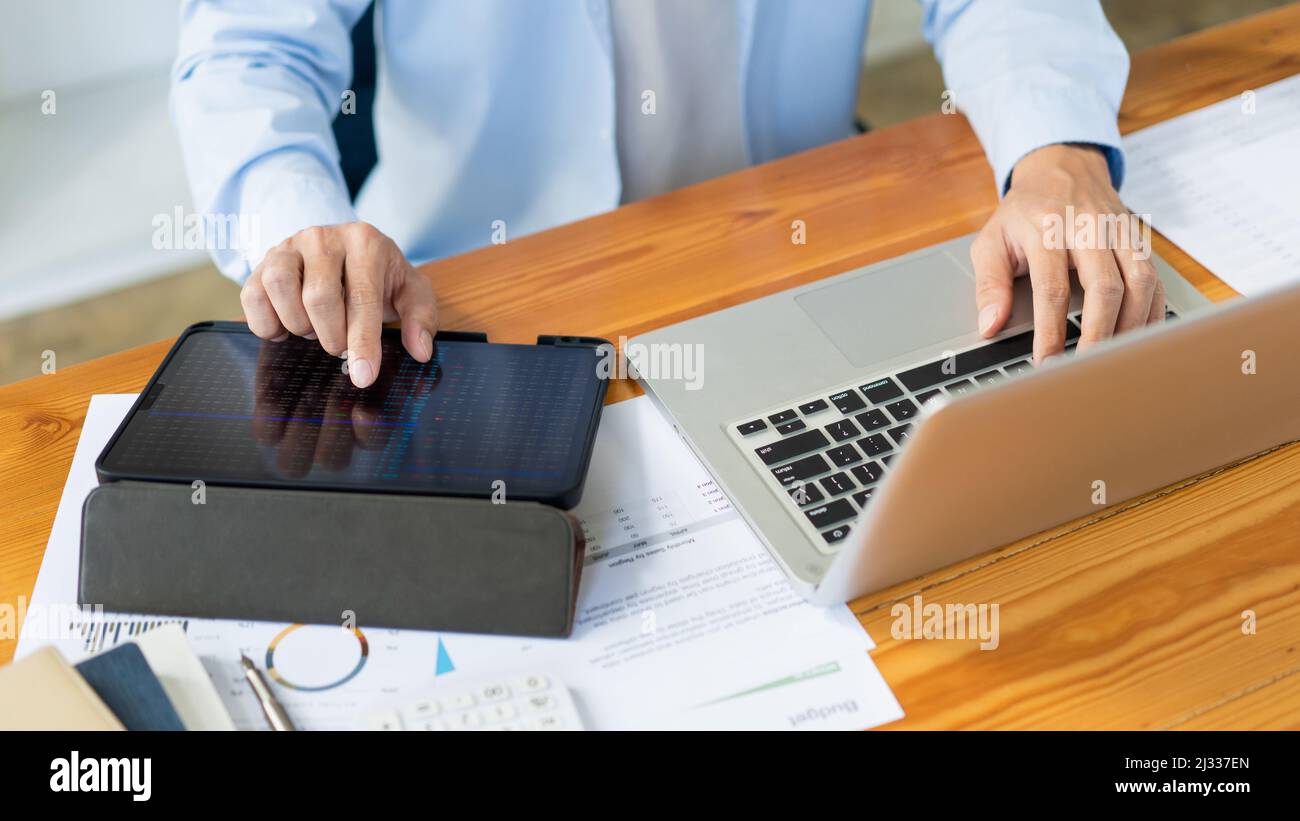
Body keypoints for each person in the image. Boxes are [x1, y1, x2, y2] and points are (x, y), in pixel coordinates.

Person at [172, 0, 1156, 388]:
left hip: (799, 262)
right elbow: (245, 48)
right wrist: (297, 223)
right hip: (471, 308)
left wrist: (1055, 151)